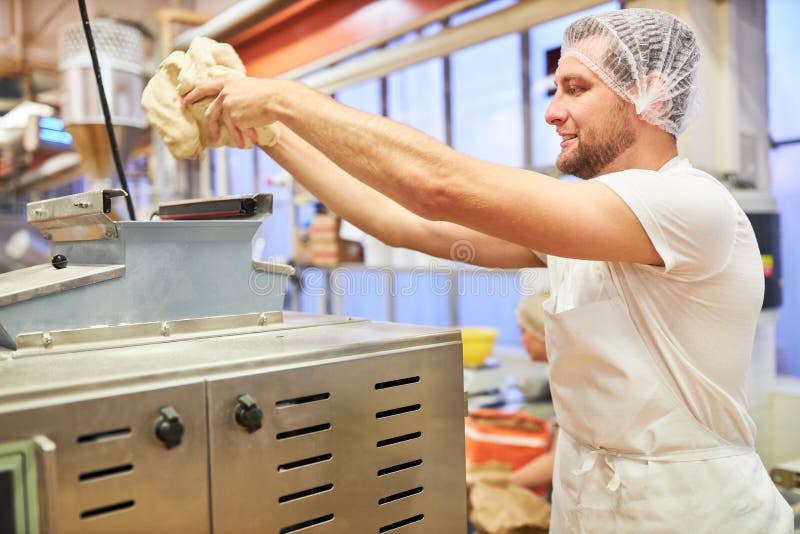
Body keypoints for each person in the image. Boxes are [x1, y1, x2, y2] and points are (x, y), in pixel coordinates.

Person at [183, 7, 793, 532]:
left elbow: (436, 187)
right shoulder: (580, 226)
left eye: (576, 89)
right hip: (592, 497)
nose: (552, 112)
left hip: (692, 509)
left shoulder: (688, 205)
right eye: (554, 90)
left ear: (648, 95)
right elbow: (406, 225)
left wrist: (285, 96)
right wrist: (273, 134)